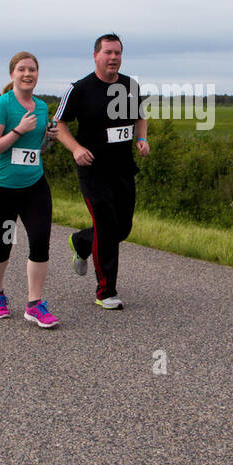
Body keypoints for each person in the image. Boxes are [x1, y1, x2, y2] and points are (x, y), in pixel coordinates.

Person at [53, 33, 149, 310]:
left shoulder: (130, 86)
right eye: (108, 52)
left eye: (117, 52)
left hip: (123, 169)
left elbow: (140, 116)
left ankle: (82, 241)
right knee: (106, 228)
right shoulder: (80, 89)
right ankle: (106, 292)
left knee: (122, 228)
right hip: (93, 170)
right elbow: (58, 124)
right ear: (95, 56)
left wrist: (142, 139)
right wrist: (75, 149)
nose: (113, 57)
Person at [0, 52, 59, 328]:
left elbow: (35, 151)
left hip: (33, 186)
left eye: (33, 70)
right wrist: (18, 130)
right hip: (0, 190)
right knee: (4, 244)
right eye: (22, 69)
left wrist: (48, 139)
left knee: (40, 240)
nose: (28, 74)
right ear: (12, 74)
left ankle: (35, 304)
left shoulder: (41, 107)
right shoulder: (2, 105)